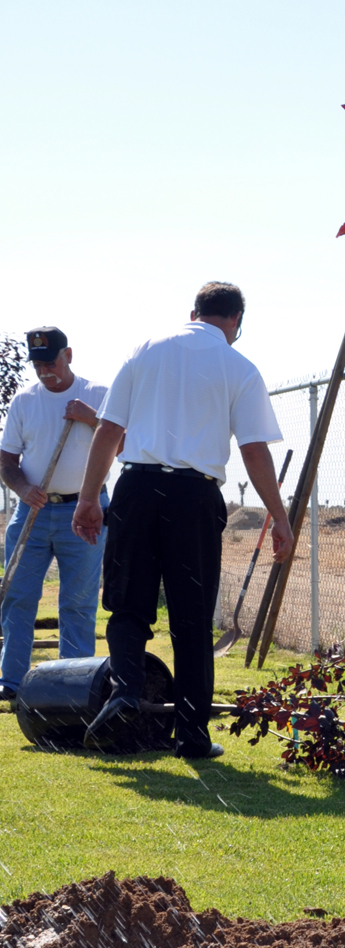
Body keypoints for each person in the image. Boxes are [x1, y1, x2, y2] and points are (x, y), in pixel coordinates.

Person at [72, 283, 294, 759]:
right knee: (191, 620)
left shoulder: (146, 349)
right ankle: (191, 736)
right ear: (236, 320)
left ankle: (126, 690)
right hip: (193, 497)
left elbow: (109, 429)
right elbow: (253, 451)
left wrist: (88, 497)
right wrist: (279, 517)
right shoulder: (239, 367)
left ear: (192, 312)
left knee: (128, 604)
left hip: (135, 487)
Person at [0, 328, 110, 698]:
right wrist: (22, 488)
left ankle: (73, 686)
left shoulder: (97, 395)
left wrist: (93, 419)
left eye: (51, 362)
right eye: (38, 364)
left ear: (69, 355)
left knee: (78, 602)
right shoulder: (24, 401)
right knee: (17, 595)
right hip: (33, 512)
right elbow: (6, 460)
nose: (45, 371)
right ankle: (11, 682)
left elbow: (127, 444)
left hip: (84, 510)